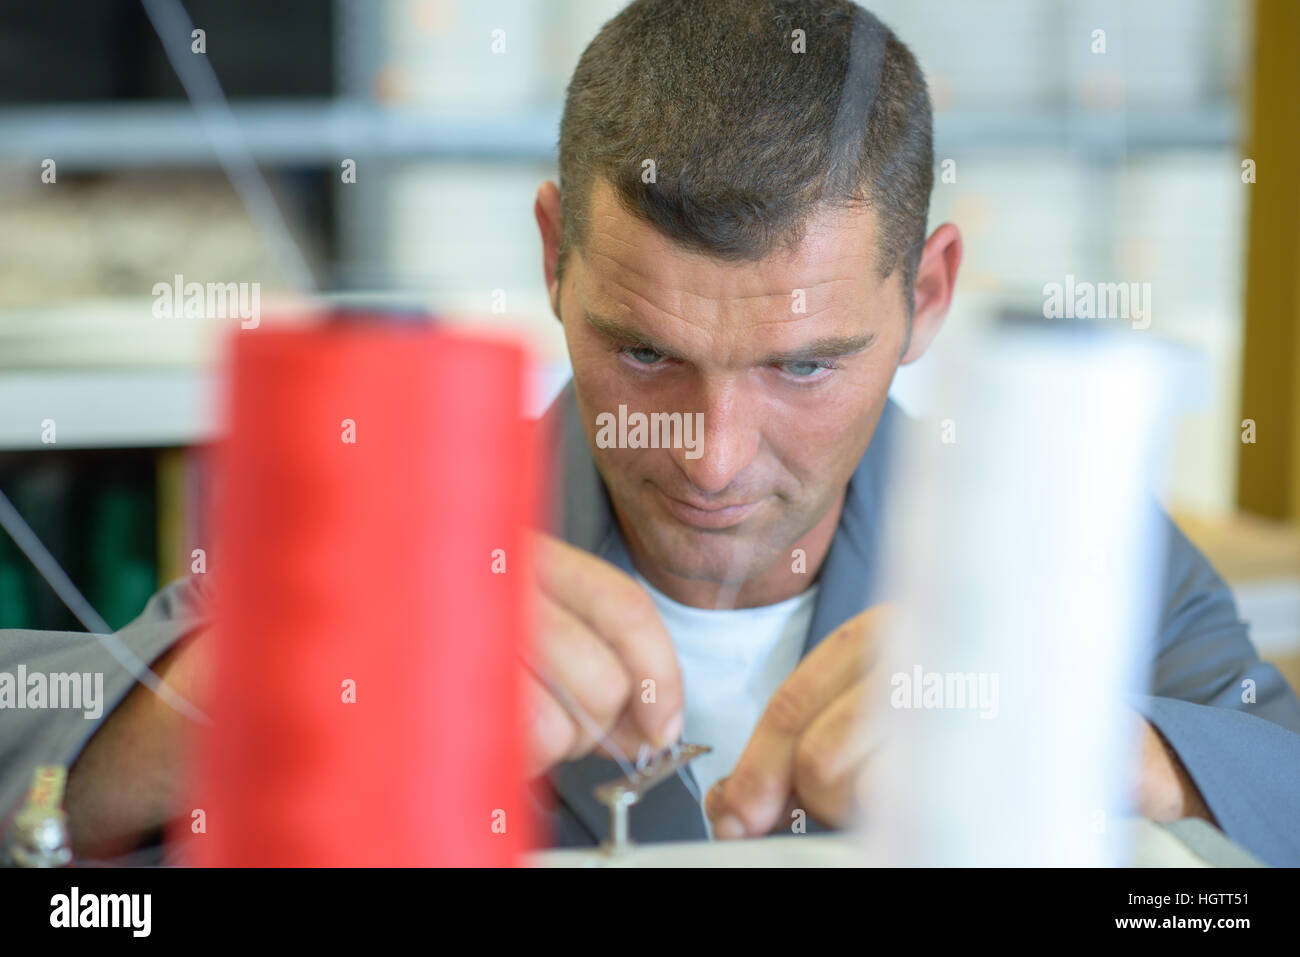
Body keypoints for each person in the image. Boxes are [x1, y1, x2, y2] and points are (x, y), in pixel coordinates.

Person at [3, 0, 1298, 865]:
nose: (714, 452)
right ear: (555, 258)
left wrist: (1130, 757)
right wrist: (190, 724)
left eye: (803, 364)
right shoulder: (389, 543)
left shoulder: (1071, 559)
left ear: (930, 296)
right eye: (646, 353)